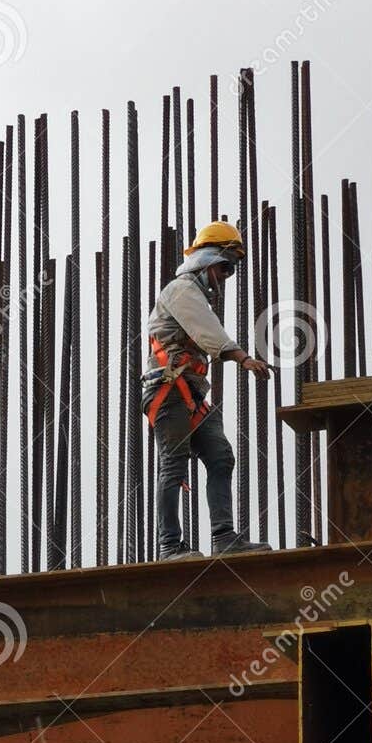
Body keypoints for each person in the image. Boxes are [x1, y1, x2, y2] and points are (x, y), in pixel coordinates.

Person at [143, 221, 270, 560]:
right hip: (168, 390)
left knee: (219, 456)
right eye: (225, 267)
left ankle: (224, 538)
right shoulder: (182, 290)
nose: (226, 275)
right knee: (173, 464)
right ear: (208, 260)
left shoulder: (195, 294)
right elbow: (207, 333)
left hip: (191, 392)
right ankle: (170, 546)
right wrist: (242, 357)